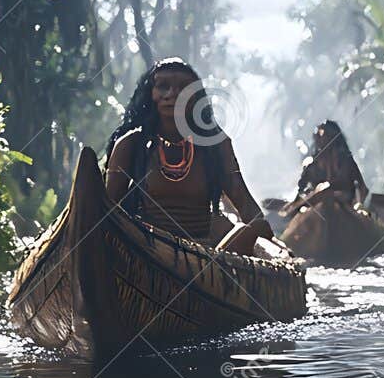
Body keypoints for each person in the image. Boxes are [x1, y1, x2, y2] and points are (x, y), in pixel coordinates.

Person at [103, 58, 275, 256]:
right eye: (163, 86)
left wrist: (268, 239)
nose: (172, 95)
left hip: (204, 255)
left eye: (183, 88)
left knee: (245, 231)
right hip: (146, 249)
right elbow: (109, 209)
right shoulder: (131, 144)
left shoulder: (216, 145)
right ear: (151, 94)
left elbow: (243, 202)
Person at [290, 120, 370, 212]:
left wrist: (358, 205)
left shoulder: (345, 159)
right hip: (319, 202)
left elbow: (362, 187)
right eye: (317, 135)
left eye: (322, 134)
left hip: (344, 200)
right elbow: (302, 187)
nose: (318, 138)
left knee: (325, 192)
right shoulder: (314, 163)